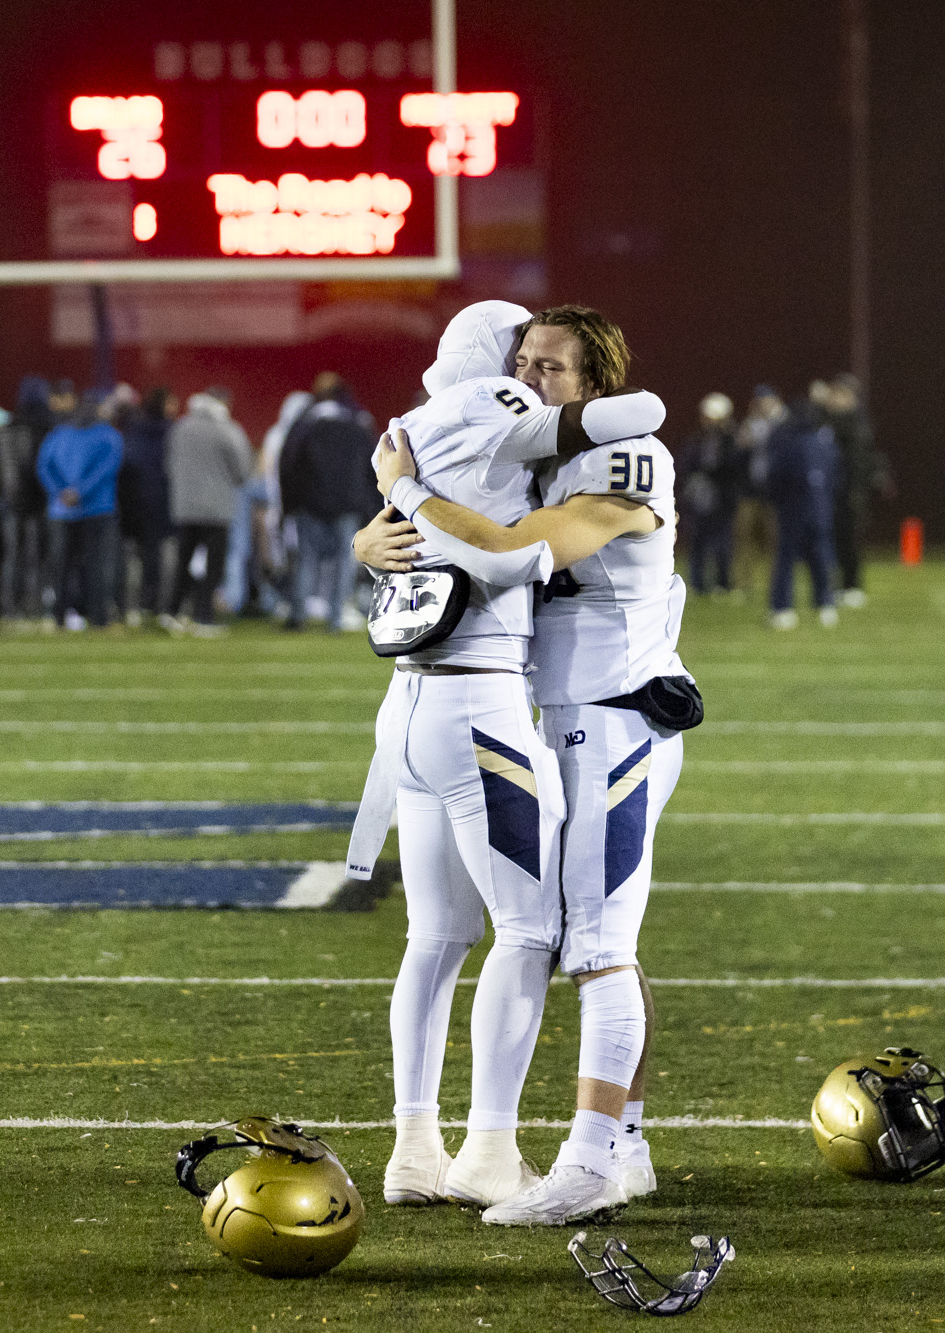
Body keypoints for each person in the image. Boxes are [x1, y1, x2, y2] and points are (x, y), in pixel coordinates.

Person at [358, 304, 688, 1226]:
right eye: (525, 362)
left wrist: (408, 492)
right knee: (584, 939)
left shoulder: (627, 459)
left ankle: (588, 1159)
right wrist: (371, 534)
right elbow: (443, 547)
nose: (530, 380)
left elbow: (510, 553)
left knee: (594, 945)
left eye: (551, 369)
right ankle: (618, 1147)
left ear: (594, 384)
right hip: (548, 715)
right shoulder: (517, 451)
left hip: (613, 721)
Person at [279, 376, 378, 631]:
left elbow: (288, 465)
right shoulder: (358, 425)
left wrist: (289, 504)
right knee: (343, 563)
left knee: (306, 560)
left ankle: (298, 616)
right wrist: (370, 507)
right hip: (347, 505)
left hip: (310, 504)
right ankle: (335, 618)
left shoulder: (304, 425)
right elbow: (373, 468)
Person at [164, 388, 251, 630]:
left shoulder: (180, 427)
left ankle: (172, 611)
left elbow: (169, 464)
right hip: (216, 508)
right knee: (213, 566)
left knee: (183, 561)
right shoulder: (227, 429)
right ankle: (203, 616)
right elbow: (243, 470)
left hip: (184, 507)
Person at [37, 390, 123, 630]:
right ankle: (98, 617)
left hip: (61, 511)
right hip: (98, 509)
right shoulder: (109, 436)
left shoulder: (58, 435)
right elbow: (107, 469)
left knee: (61, 566)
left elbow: (44, 467)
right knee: (97, 565)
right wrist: (81, 492)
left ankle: (59, 617)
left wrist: (61, 493)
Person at [765, 387, 839, 629]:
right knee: (820, 558)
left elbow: (775, 479)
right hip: (820, 511)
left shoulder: (789, 445)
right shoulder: (826, 444)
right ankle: (825, 605)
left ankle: (783, 609)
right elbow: (835, 479)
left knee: (786, 560)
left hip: (793, 512)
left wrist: (778, 503)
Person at [227, 390, 306, 617]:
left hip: (282, 508)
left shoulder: (277, 434)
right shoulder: (286, 434)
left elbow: (262, 471)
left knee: (280, 557)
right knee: (281, 557)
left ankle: (274, 600)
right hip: (286, 508)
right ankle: (275, 600)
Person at [823, 373, 886, 608]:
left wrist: (859, 489)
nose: (834, 399)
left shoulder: (855, 421)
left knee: (850, 541)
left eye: (839, 394)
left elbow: (859, 458)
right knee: (836, 541)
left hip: (852, 491)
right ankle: (842, 585)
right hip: (838, 490)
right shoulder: (837, 419)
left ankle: (853, 586)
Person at [117, 387, 176, 626]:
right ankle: (156, 604)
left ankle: (133, 605)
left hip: (133, 502)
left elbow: (127, 465)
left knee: (135, 556)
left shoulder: (133, 431)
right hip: (160, 501)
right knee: (160, 555)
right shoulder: (171, 432)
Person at [0, 375, 57, 621]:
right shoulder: (49, 425)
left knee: (13, 555)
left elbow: (2, 466)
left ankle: (11, 606)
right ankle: (37, 606)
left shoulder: (9, 425)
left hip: (13, 499)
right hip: (44, 498)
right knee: (41, 555)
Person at [682, 392, 741, 596]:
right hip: (702, 497)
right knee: (698, 540)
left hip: (723, 498)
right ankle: (697, 583)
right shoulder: (698, 439)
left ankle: (722, 583)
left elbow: (733, 467)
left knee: (722, 542)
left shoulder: (732, 439)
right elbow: (687, 463)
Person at [732, 385, 783, 597]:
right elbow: (739, 451)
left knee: (774, 540)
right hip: (750, 489)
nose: (762, 404)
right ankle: (743, 585)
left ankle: (776, 584)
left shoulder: (782, 423)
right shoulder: (750, 424)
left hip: (774, 490)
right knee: (744, 538)